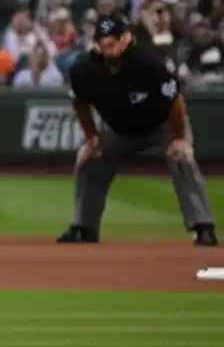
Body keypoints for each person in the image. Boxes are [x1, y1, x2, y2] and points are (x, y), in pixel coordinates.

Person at [57, 17, 216, 246]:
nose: (108, 46)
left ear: (126, 39)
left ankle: (203, 227)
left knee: (182, 157)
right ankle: (84, 227)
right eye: (103, 42)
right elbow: (80, 102)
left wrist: (179, 138)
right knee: (89, 160)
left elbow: (176, 101)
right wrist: (91, 137)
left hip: (162, 126)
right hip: (121, 131)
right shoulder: (85, 68)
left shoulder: (148, 63)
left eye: (114, 40)